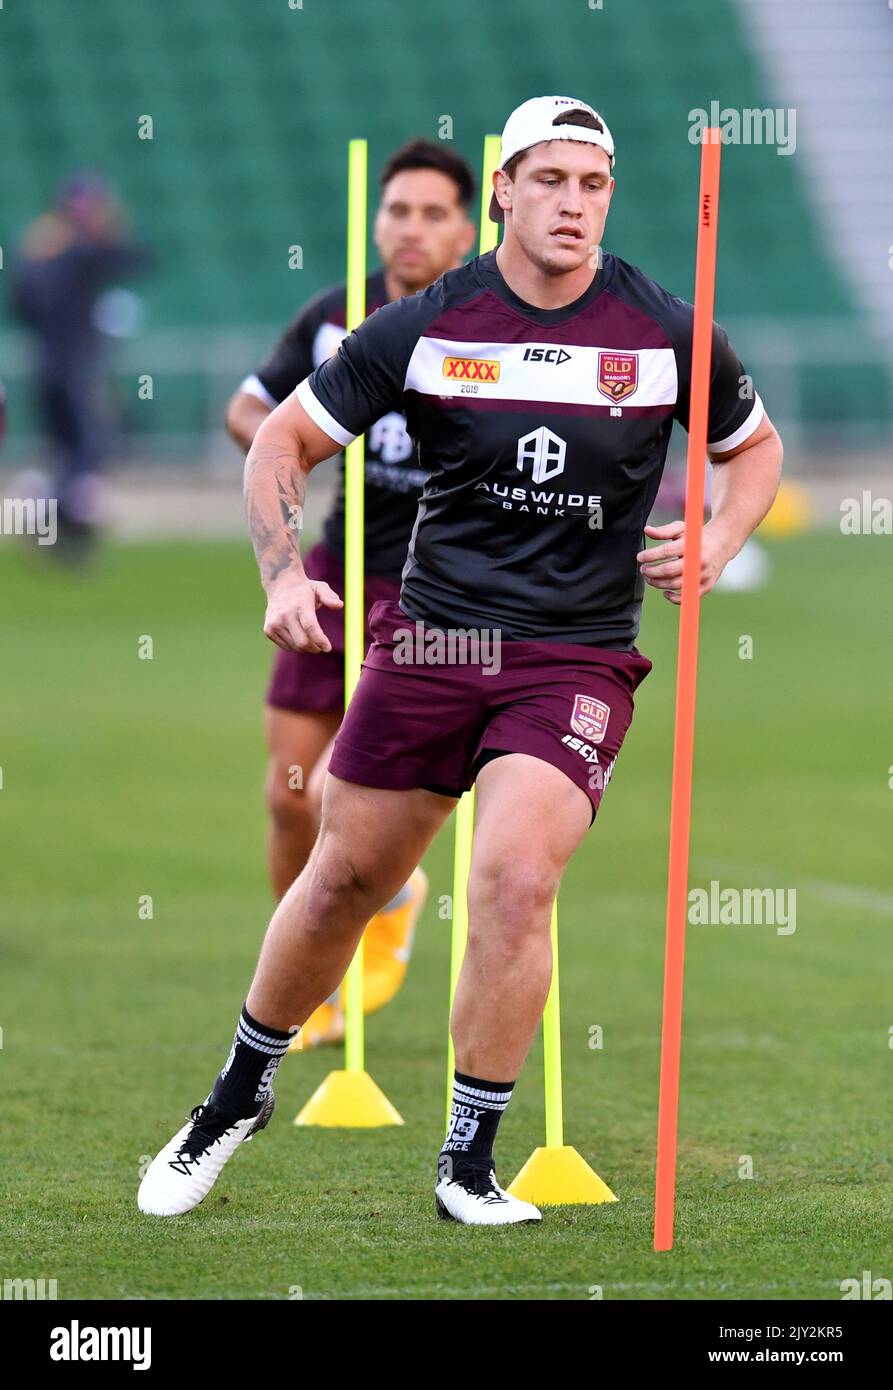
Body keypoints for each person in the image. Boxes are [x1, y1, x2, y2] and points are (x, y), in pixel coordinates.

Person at [139, 96, 783, 1225]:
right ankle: (236, 1096)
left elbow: (752, 445)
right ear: (504, 191)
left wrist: (720, 538)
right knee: (343, 876)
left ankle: (467, 1162)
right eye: (549, 181)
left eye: (591, 184)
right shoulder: (424, 324)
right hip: (434, 639)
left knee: (514, 877)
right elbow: (281, 440)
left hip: (574, 656)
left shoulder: (667, 330)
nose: (572, 203)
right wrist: (284, 573)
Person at [226, 140, 477, 1046]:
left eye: (430, 213)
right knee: (289, 794)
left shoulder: (487, 321)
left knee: (343, 785)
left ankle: (392, 886)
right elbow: (247, 408)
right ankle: (312, 982)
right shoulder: (336, 319)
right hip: (337, 569)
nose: (408, 230)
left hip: (434, 588)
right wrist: (296, 444)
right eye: (395, 211)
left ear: (467, 224)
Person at [11, 174, 150, 560]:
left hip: (48, 368)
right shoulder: (78, 252)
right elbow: (135, 258)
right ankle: (53, 518)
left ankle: (47, 515)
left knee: (67, 452)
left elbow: (21, 305)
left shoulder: (49, 253)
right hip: (74, 370)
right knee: (89, 450)